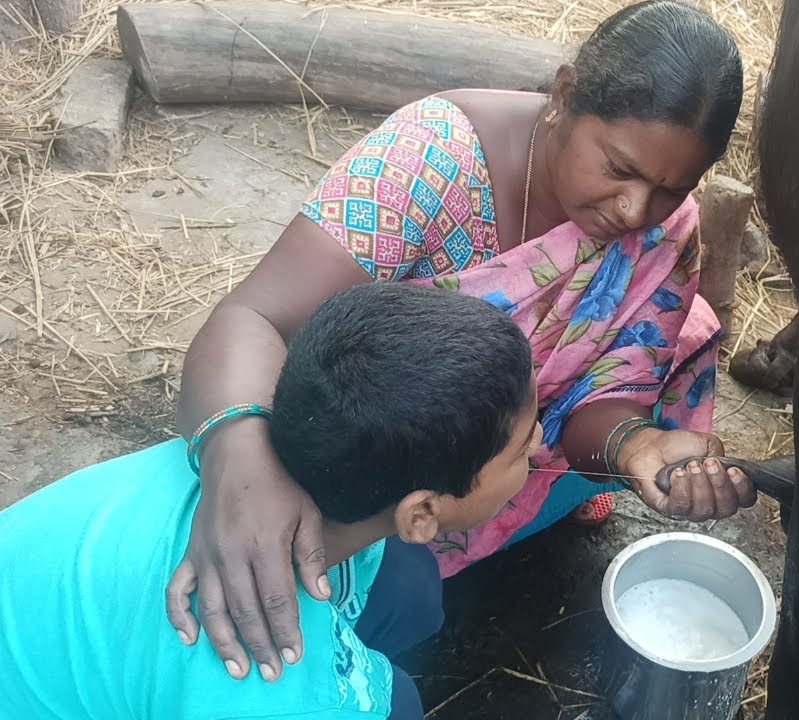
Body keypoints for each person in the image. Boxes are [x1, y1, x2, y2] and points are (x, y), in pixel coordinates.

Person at [169, 0, 756, 685]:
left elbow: (604, 394)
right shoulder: (430, 161)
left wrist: (634, 444)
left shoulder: (666, 230)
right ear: (564, 97)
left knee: (664, 378)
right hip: (384, 446)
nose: (635, 211)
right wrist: (241, 461)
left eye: (671, 188)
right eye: (618, 167)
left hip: (507, 453)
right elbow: (253, 320)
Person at [0, 283, 540, 719]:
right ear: (421, 512)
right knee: (398, 706)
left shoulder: (245, 459)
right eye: (520, 448)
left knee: (407, 586)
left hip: (54, 633)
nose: (538, 444)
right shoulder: (266, 681)